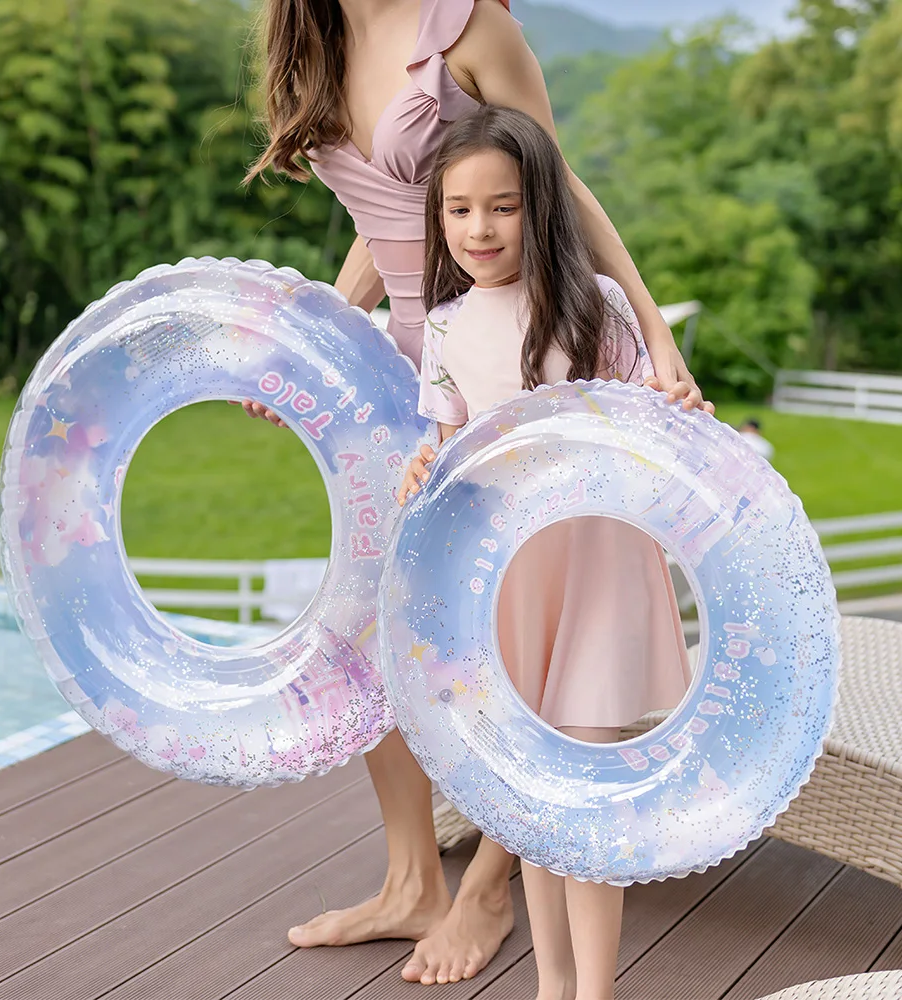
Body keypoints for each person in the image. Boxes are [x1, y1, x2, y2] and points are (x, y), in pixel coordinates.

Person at [244, 0, 711, 985]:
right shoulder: (311, 31)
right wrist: (322, 333)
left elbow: (555, 183)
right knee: (384, 628)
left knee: (527, 650)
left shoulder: (468, 29)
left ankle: (492, 886)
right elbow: (389, 217)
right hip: (422, 368)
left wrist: (655, 334)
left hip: (521, 346)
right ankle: (413, 881)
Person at [398, 104, 691, 1000]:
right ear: (439, 218)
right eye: (459, 210)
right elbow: (448, 446)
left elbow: (648, 419)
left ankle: (595, 992)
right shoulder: (445, 326)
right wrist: (423, 465)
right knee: (531, 792)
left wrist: (680, 416)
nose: (479, 229)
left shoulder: (595, 304)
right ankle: (551, 986)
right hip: (510, 576)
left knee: (583, 789)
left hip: (597, 564)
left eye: (503, 206)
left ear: (541, 207)